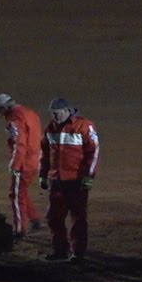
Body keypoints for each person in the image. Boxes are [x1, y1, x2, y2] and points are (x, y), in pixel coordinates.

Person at [39, 98, 99, 262]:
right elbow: (45, 153)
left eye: (56, 113)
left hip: (76, 181)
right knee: (53, 217)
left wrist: (88, 176)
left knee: (77, 218)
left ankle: (77, 253)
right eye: (52, 114)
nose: (54, 117)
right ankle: (60, 251)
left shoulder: (84, 126)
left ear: (66, 111)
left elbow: (93, 152)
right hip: (56, 180)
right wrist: (43, 174)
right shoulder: (51, 128)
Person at [0, 93, 43, 237]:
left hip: (24, 163)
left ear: (5, 108)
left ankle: (20, 229)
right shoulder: (31, 113)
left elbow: (20, 145)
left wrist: (15, 166)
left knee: (16, 195)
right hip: (36, 159)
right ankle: (34, 219)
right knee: (22, 190)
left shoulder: (15, 119)